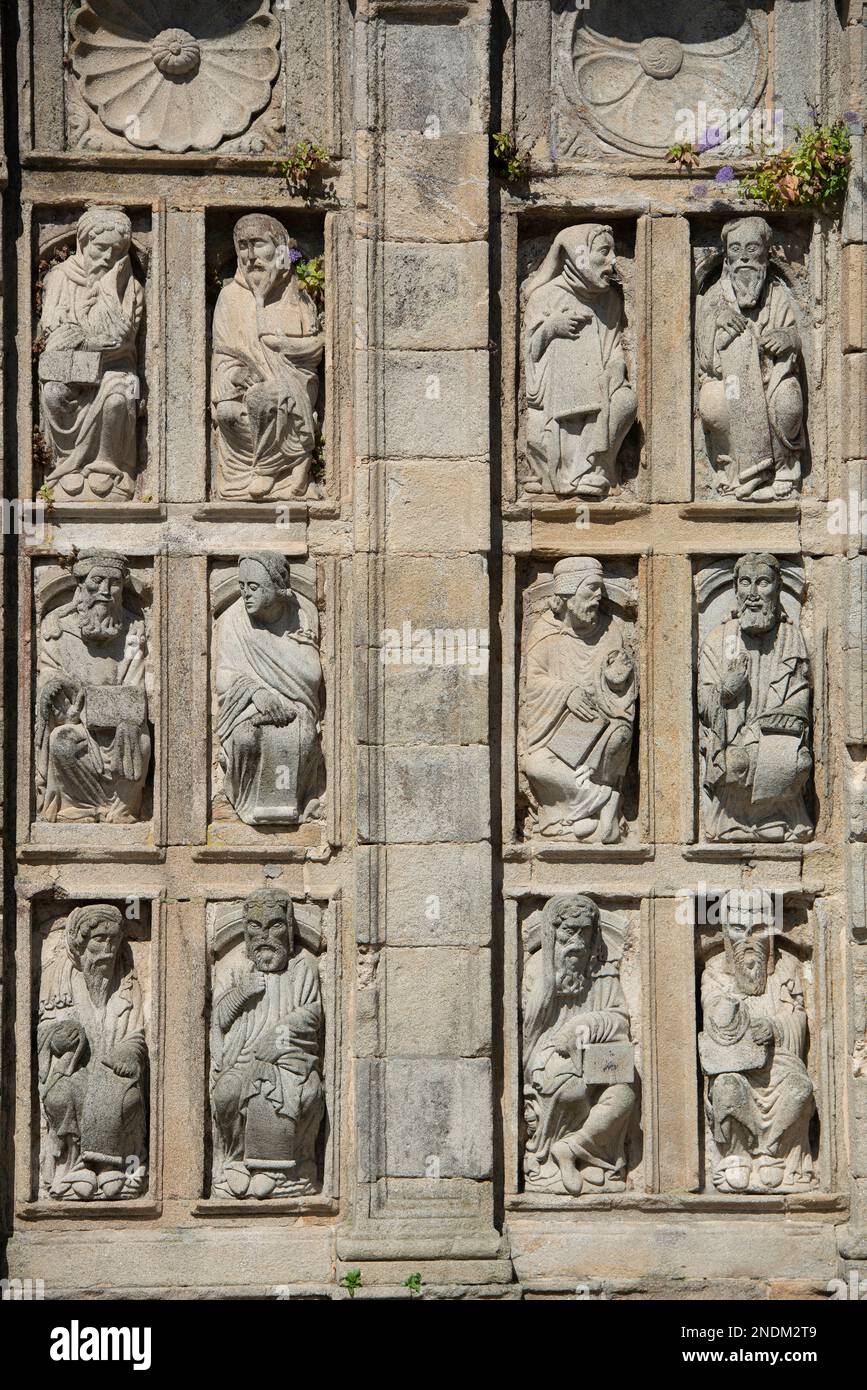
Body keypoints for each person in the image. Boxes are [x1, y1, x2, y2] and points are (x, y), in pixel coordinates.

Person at [210, 889, 324, 1199]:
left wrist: (280, 1036)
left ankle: (275, 1168)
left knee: (276, 1091)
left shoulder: (302, 968)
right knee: (227, 1093)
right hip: (241, 1060)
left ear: (288, 929)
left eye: (275, 925)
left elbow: (312, 1014)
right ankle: (234, 1161)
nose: (265, 935)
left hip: (288, 1060)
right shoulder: (235, 968)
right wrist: (240, 993)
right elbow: (217, 1019)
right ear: (246, 931)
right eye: (256, 927)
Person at [38, 904, 148, 1200]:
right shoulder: (56, 979)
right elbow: (44, 1034)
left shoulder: (127, 982)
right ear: (80, 943)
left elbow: (137, 1033)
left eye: (113, 941)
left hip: (114, 1073)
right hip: (73, 1072)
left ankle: (112, 1165)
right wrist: (59, 1037)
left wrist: (127, 1052)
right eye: (99, 940)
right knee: (63, 1096)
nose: (108, 950)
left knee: (128, 1098)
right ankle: (75, 1166)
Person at [211, 213, 324, 499]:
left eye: (258, 244)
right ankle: (288, 462)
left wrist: (283, 348)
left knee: (266, 397)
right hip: (247, 392)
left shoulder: (297, 297)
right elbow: (222, 356)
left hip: (292, 385)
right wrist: (236, 375)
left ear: (279, 248)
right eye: (242, 246)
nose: (250, 256)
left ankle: (270, 468)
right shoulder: (230, 298)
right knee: (227, 412)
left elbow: (313, 351)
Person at [522, 223, 637, 497]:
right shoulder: (544, 296)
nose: (612, 261)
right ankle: (567, 476)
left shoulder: (609, 301)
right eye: (604, 252)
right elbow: (530, 353)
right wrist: (552, 328)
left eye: (614, 252)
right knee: (544, 434)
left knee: (626, 401)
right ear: (579, 255)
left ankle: (593, 469)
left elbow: (614, 349)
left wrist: (616, 368)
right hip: (556, 396)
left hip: (597, 387)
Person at [38, 206, 143, 500]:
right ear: (83, 243)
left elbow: (124, 340)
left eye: (116, 250)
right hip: (70, 371)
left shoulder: (130, 288)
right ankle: (66, 465)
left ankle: (107, 465)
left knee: (119, 394)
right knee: (53, 393)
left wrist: (85, 337)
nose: (108, 257)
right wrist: (91, 341)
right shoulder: (60, 277)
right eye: (100, 248)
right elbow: (53, 331)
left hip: (115, 368)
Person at [697, 216, 804, 500]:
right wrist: (718, 321)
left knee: (788, 398)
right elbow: (705, 358)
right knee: (718, 399)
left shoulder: (777, 295)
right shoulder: (714, 297)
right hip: (731, 379)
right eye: (735, 249)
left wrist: (786, 339)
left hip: (771, 378)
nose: (743, 257)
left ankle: (782, 468)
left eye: (752, 248)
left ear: (765, 255)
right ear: (727, 258)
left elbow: (795, 336)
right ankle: (739, 471)